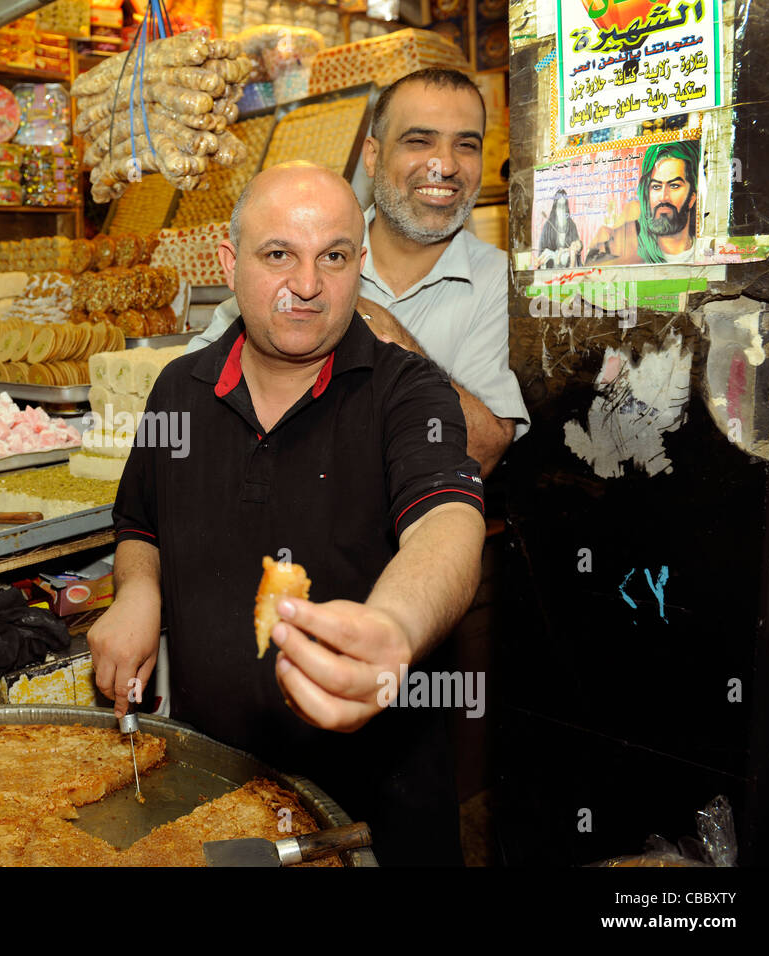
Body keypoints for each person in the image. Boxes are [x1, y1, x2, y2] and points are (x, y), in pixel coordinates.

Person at [88, 162, 487, 865]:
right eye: (279, 255)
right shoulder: (178, 389)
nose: (307, 286)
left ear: (358, 264)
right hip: (214, 790)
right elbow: (139, 524)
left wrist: (392, 626)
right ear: (229, 264)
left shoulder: (408, 392)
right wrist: (138, 591)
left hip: (376, 809)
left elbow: (447, 522)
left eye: (333, 257)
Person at [187, 68, 528, 478]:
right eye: (419, 141)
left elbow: (483, 450)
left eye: (466, 145)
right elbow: (194, 411)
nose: (445, 165)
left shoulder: (500, 281)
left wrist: (395, 340)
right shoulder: (301, 252)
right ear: (372, 155)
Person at [585, 140, 701, 265]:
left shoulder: (703, 253)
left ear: (692, 198)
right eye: (656, 187)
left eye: (674, 186)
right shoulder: (626, 248)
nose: (663, 197)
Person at [538, 188, 582, 268]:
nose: (562, 210)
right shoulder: (548, 226)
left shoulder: (572, 226)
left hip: (567, 268)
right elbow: (541, 250)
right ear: (555, 208)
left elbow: (577, 250)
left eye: (564, 206)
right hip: (551, 265)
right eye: (559, 206)